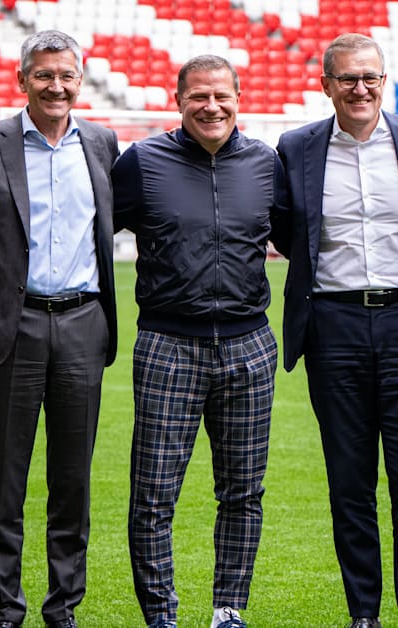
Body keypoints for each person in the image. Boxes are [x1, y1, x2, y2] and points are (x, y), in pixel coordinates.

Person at [0, 30, 119, 628]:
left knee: (73, 484)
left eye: (67, 75)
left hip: (82, 327)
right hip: (8, 333)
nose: (56, 86)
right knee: (6, 484)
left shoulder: (101, 142)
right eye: (44, 75)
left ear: (80, 79)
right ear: (23, 80)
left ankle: (63, 608)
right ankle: (7, 610)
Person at [273, 33, 398, 628]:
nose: (360, 88)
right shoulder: (295, 146)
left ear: (384, 80)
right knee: (349, 482)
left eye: (370, 77)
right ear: (326, 85)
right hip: (333, 324)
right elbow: (280, 230)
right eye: (347, 78)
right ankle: (363, 614)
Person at [111, 54, 290, 628]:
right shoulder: (141, 162)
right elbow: (88, 233)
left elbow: (299, 242)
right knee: (153, 495)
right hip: (168, 344)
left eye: (222, 96)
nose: (211, 107)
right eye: (198, 97)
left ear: (239, 98)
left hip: (249, 347)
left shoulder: (266, 163)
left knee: (243, 491)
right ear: (178, 100)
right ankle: (161, 615)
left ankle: (228, 610)